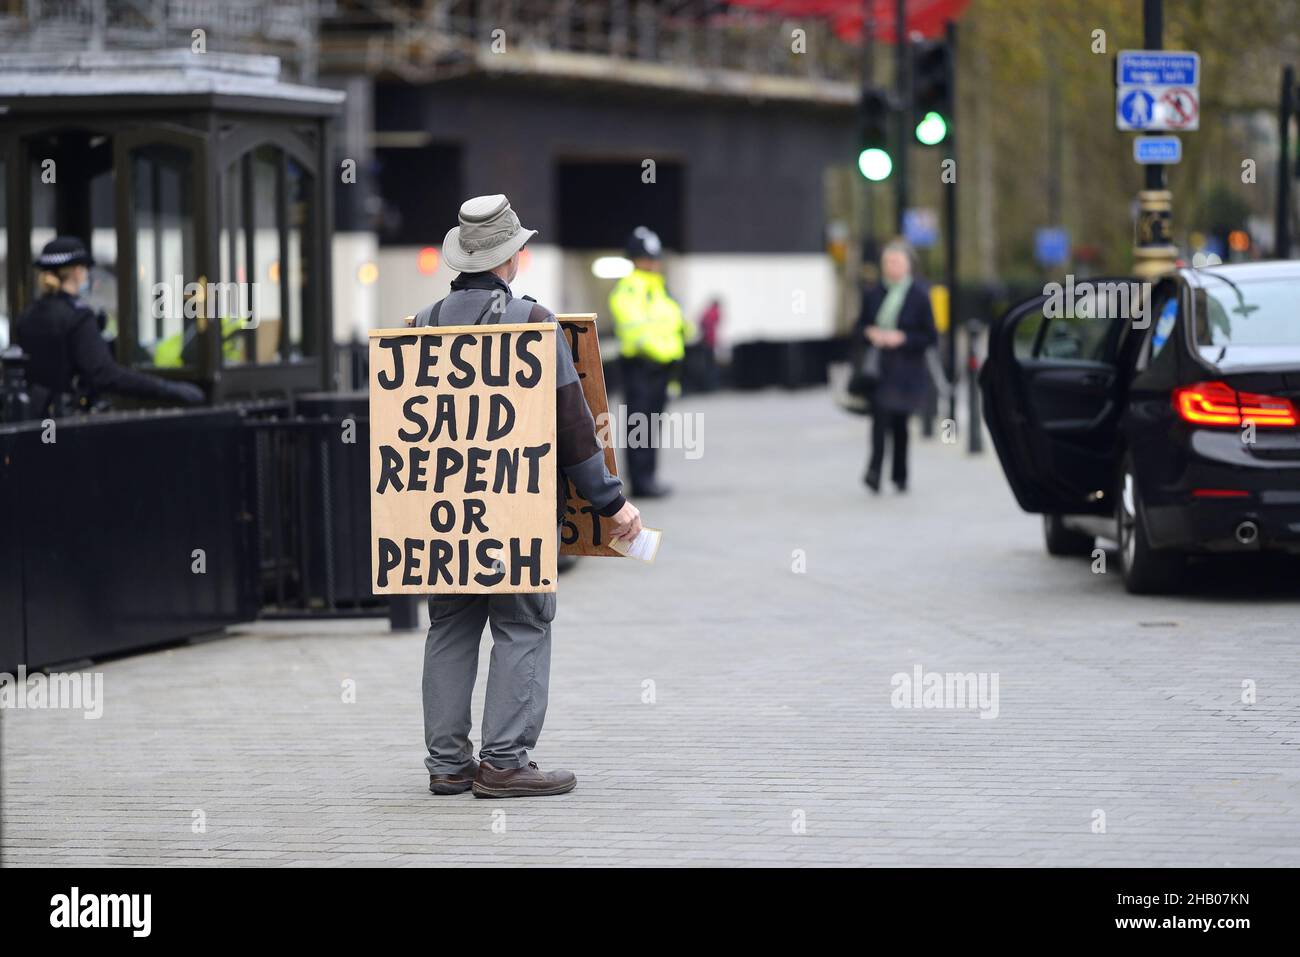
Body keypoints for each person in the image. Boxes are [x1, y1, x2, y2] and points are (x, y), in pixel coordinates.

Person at [415, 194, 642, 799]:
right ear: (513, 257)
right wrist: (611, 504)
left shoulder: (422, 324)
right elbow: (574, 426)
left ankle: (447, 765)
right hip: (513, 505)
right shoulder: (534, 323)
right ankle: (505, 762)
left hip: (442, 511)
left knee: (451, 625)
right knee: (522, 621)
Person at [14, 236, 204, 415]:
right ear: (78, 271)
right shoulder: (77, 316)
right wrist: (168, 389)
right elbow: (104, 374)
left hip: (35, 420)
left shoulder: (29, 314)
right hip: (66, 424)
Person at [608, 226, 689, 498]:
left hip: (662, 368)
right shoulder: (629, 288)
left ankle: (649, 477)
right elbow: (635, 329)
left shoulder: (659, 287)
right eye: (648, 257)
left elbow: (675, 323)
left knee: (651, 425)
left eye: (655, 258)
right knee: (639, 425)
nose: (653, 263)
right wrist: (661, 352)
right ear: (635, 258)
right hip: (642, 366)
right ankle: (640, 481)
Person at [854, 239, 937, 493]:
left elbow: (930, 336)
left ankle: (900, 475)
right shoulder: (873, 293)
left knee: (900, 425)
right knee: (879, 421)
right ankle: (874, 471)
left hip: (907, 369)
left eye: (896, 262)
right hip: (880, 369)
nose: (891, 266)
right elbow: (858, 327)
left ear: (908, 265)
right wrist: (871, 333)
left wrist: (902, 338)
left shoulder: (920, 295)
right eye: (888, 262)